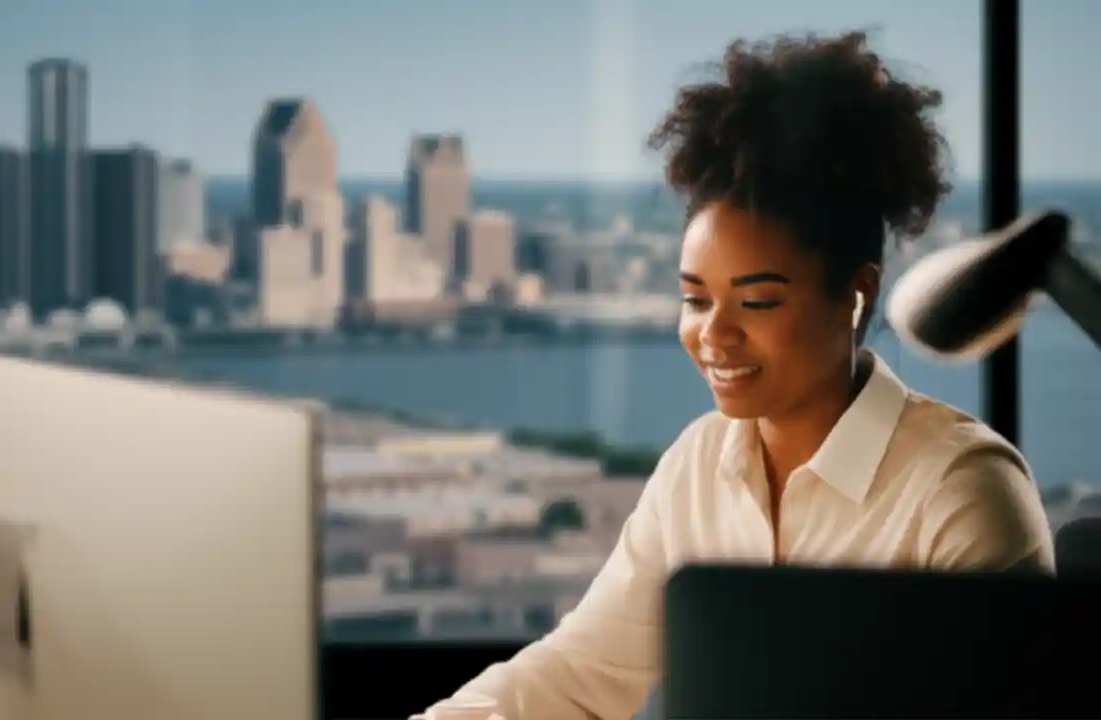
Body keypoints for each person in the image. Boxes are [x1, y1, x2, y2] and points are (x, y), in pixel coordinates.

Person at [420, 30, 1055, 720]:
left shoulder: (961, 492)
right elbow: (580, 670)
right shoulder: (699, 465)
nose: (713, 334)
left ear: (856, 295)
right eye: (695, 299)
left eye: (757, 301)